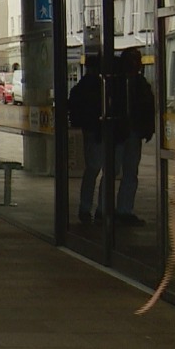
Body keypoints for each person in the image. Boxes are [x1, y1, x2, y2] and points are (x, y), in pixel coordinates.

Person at [114, 47, 154, 226]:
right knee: (113, 171)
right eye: (132, 60)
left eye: (137, 60)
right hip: (118, 133)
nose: (136, 64)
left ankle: (124, 210)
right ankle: (104, 210)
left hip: (134, 132)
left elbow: (148, 107)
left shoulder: (141, 84)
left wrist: (147, 129)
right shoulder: (115, 83)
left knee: (131, 172)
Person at [67, 54, 104, 224]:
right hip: (96, 131)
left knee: (92, 170)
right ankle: (98, 209)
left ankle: (86, 208)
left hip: (90, 130)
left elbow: (73, 110)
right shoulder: (99, 86)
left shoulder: (81, 87)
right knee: (96, 170)